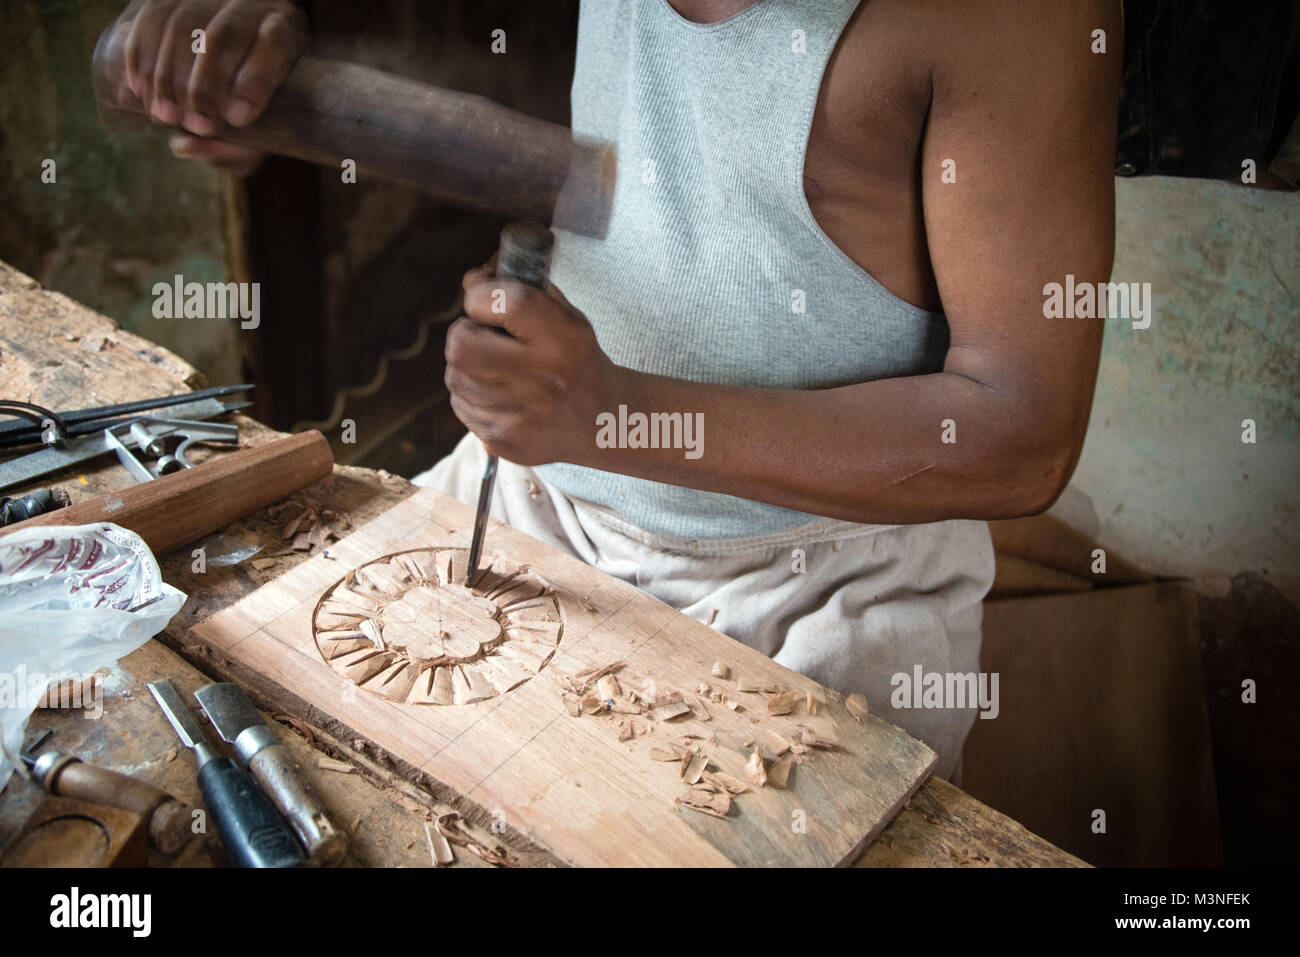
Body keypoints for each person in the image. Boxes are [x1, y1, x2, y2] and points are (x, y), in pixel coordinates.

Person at [122, 0, 1122, 780]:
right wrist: (284, 78)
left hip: (817, 583)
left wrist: (611, 416)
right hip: (541, 494)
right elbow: (634, 122)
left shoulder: (1006, 20)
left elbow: (1018, 436)